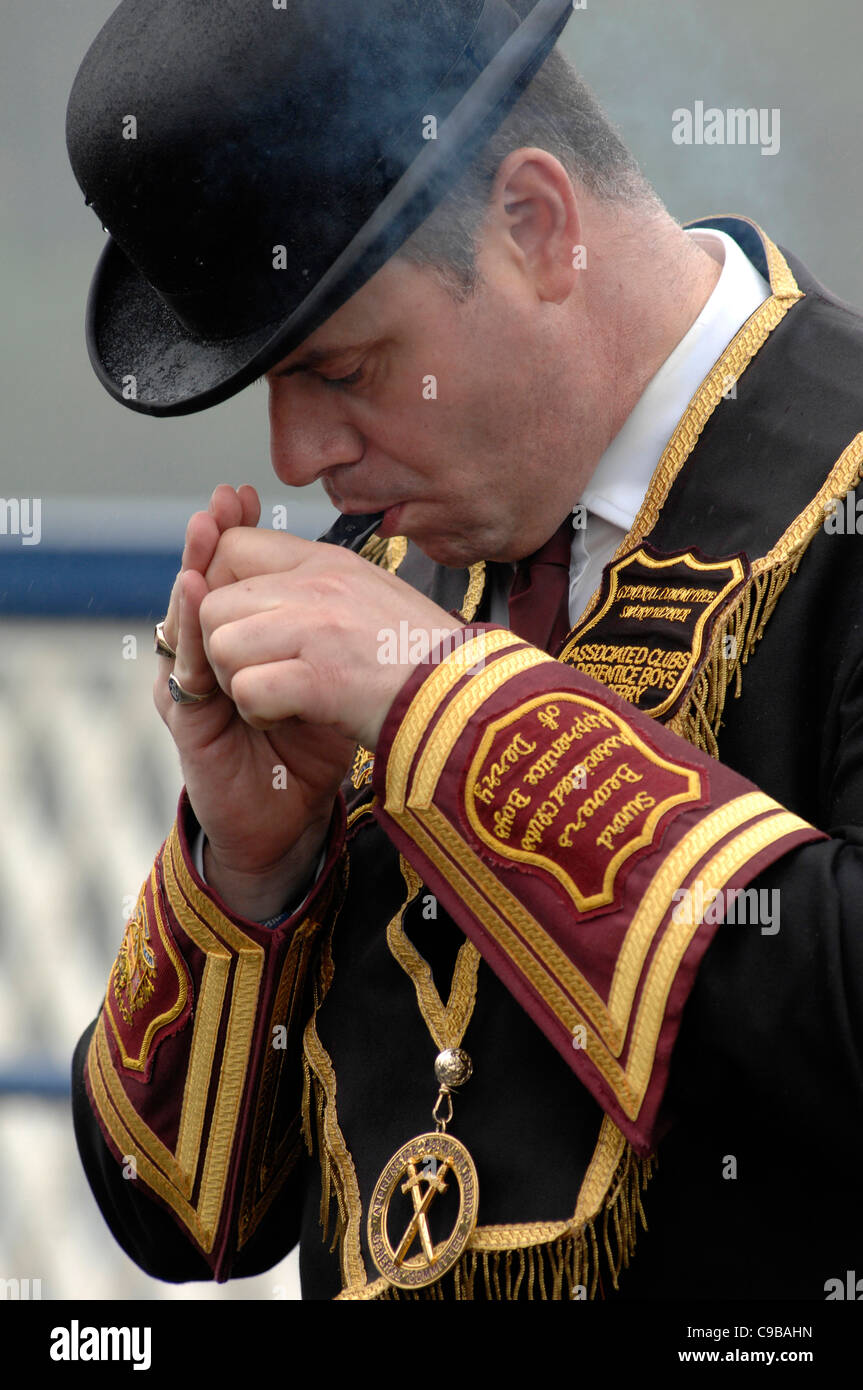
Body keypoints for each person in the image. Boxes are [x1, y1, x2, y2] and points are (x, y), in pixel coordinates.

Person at [67, 0, 863, 1301]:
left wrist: (449, 710)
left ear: (537, 226)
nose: (296, 460)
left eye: (345, 370)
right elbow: (169, 1216)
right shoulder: (388, 556)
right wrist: (253, 868)